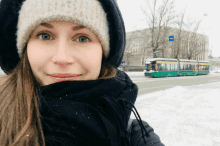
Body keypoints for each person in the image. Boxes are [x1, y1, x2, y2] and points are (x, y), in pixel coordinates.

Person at [0, 0, 165, 145]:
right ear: (24, 48)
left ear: (103, 52)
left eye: (82, 38)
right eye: (45, 36)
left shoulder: (135, 135)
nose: (62, 58)